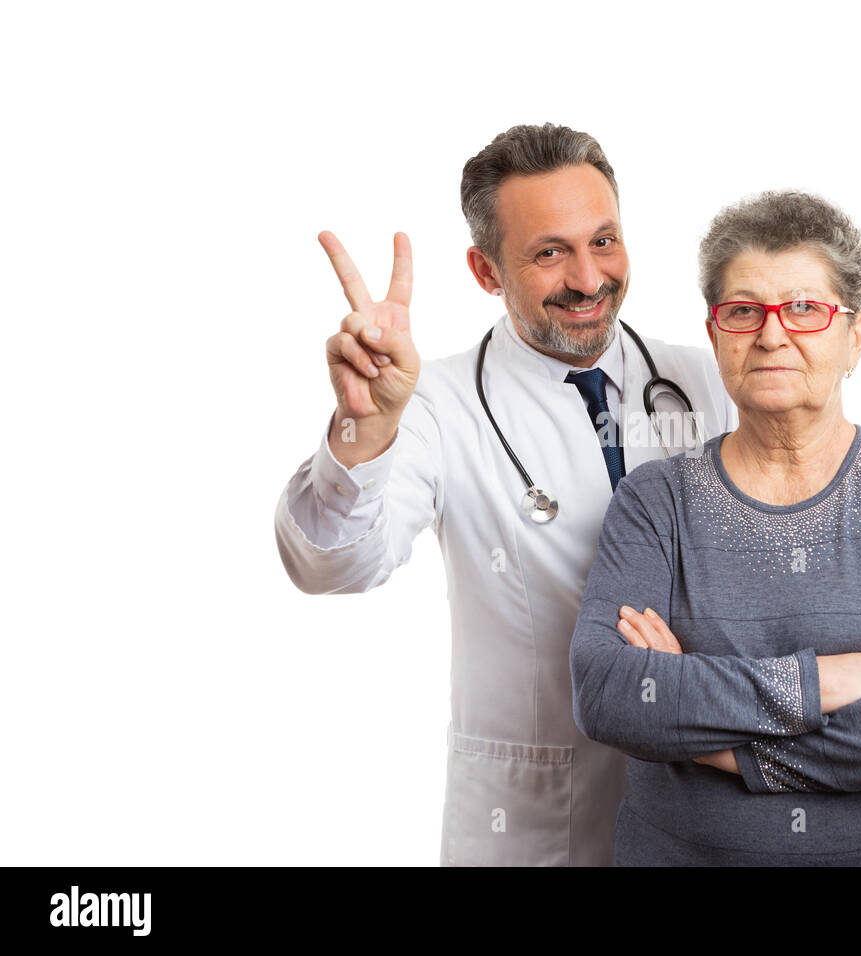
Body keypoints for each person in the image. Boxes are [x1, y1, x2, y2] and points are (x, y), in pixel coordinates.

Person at [273, 123, 737, 866]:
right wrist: (365, 427)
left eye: (605, 241)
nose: (589, 278)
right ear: (485, 271)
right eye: (550, 252)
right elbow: (331, 565)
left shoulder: (709, 378)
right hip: (534, 826)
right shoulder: (432, 404)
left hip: (708, 811)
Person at [569, 189, 861, 866]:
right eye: (744, 312)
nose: (772, 334)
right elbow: (610, 694)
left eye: (804, 308)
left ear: (854, 336)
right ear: (715, 336)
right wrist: (830, 680)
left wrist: (724, 745)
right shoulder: (655, 500)